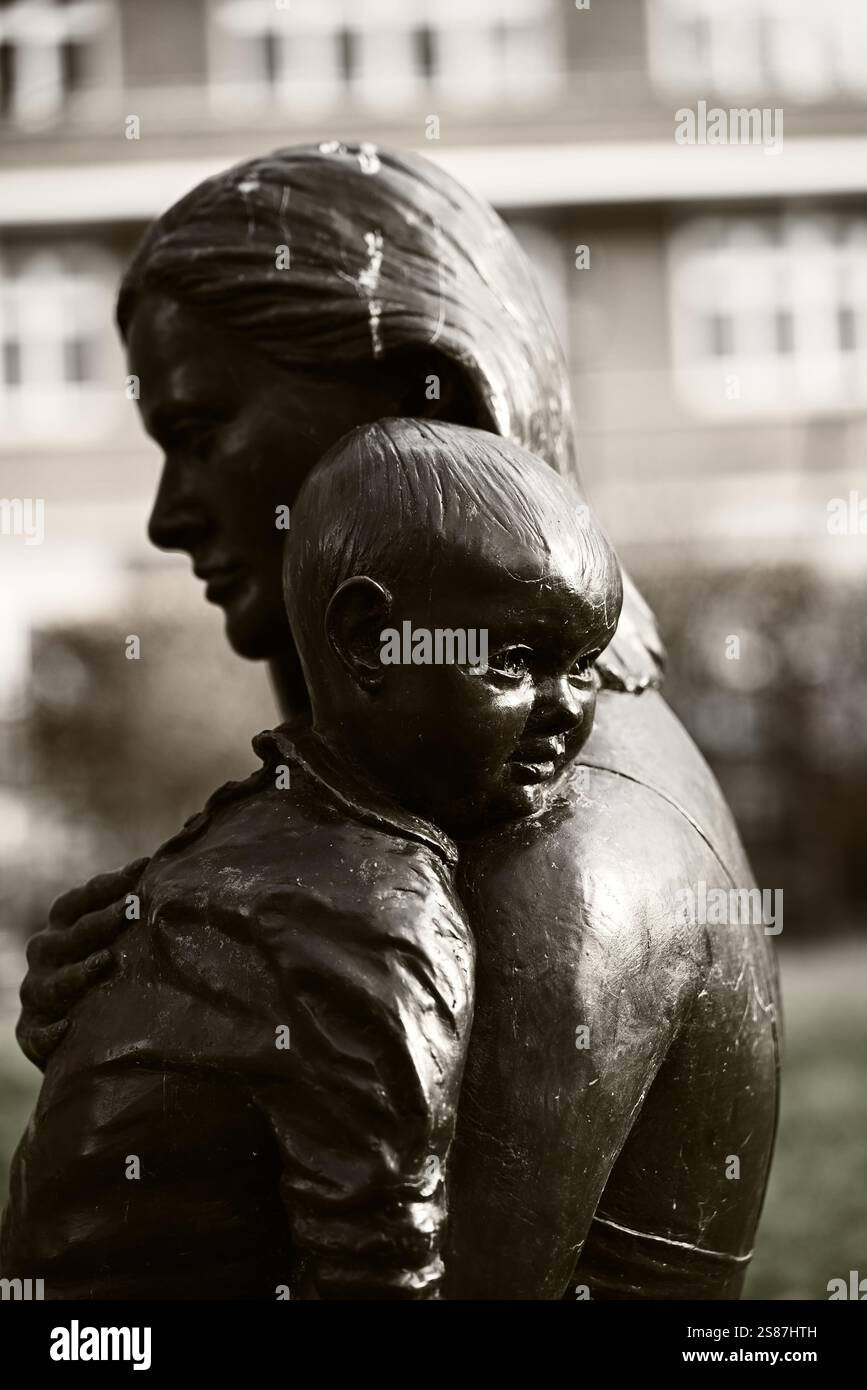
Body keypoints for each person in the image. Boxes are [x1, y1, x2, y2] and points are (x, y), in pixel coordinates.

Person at [15, 144, 779, 1299]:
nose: (169, 518)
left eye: (202, 428)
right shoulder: (426, 792)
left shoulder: (541, 832)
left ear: (419, 402)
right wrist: (150, 1004)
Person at [1, 421, 620, 1300]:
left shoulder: (269, 823)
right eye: (514, 661)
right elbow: (375, 1262)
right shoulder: (374, 918)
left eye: (586, 664)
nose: (565, 711)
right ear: (370, 641)